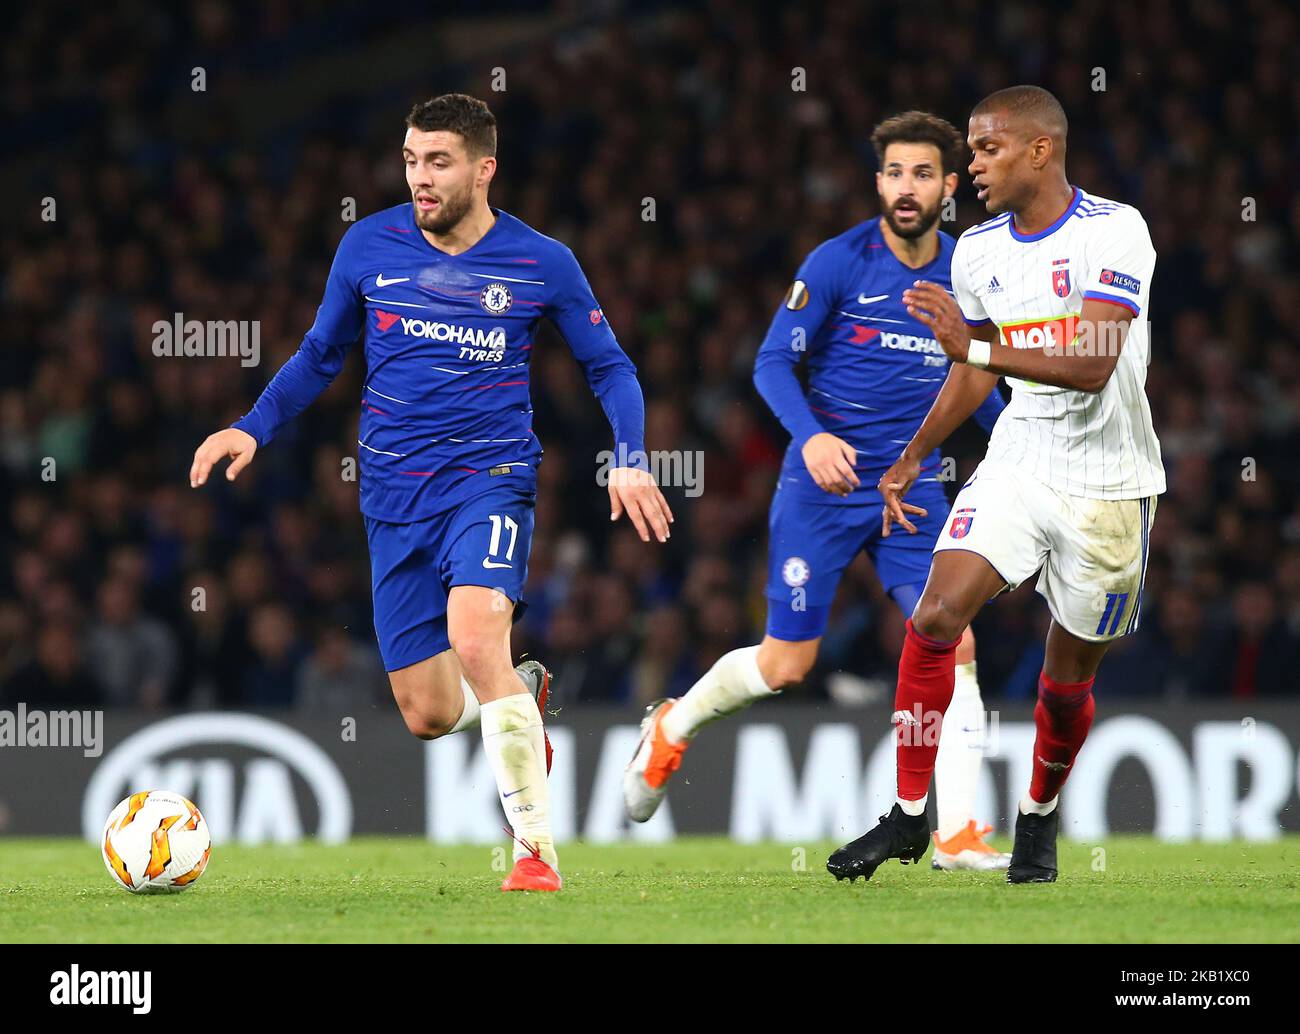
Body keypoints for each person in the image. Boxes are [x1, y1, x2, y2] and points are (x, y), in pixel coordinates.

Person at [191, 94, 672, 892]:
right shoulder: (366, 245)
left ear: (484, 169)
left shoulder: (542, 261)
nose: (420, 177)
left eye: (439, 161)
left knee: (479, 638)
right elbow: (319, 354)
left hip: (490, 478)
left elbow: (610, 364)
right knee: (428, 714)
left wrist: (629, 456)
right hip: (390, 493)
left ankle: (534, 853)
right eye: (412, 160)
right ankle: (522, 696)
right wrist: (252, 426)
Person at [624, 111, 1010, 871]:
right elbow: (771, 364)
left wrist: (1017, 444)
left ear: (949, 185)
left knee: (952, 639)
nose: (907, 188)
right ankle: (672, 726)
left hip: (912, 488)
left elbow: (978, 380)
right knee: (786, 665)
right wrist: (813, 436)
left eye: (923, 174)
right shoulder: (838, 262)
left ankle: (959, 831)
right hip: (822, 488)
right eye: (894, 173)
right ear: (878, 182)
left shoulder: (967, 271)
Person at [827, 85, 1163, 884]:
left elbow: (1088, 367)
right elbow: (976, 372)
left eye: (985, 149)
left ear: (1039, 150)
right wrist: (916, 451)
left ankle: (1039, 817)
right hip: (1019, 458)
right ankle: (912, 816)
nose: (969, 165)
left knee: (1068, 677)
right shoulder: (976, 249)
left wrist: (973, 351)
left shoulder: (1115, 232)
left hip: (1111, 484)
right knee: (936, 612)